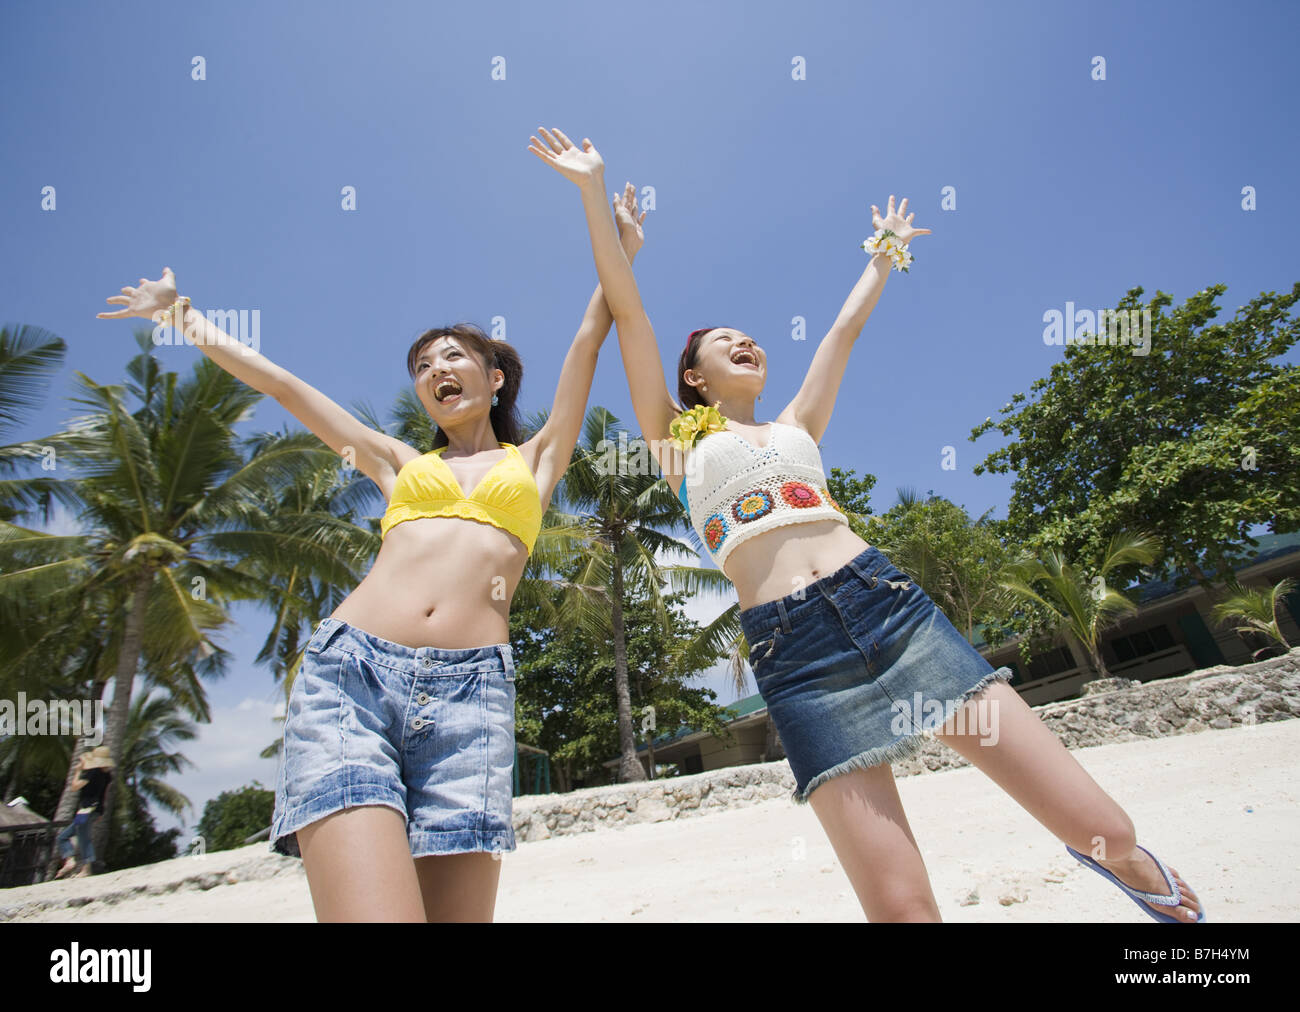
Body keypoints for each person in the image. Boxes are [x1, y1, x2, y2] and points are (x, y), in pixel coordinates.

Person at [530, 126, 1205, 924]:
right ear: (692, 377)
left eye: (749, 337)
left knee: (1105, 829)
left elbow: (840, 333)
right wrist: (598, 206)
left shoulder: (797, 428)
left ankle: (1134, 871)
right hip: (797, 656)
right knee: (903, 913)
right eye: (723, 341)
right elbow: (630, 316)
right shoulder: (675, 440)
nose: (745, 342)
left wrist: (883, 255)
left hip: (892, 611)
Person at [94, 188, 648, 921]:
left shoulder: (539, 458)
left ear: (495, 378)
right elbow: (287, 388)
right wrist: (183, 317)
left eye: (453, 356)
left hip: (472, 699)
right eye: (422, 365)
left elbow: (590, 334)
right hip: (352, 676)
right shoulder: (395, 463)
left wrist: (622, 248)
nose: (435, 369)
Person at [54, 745, 113, 879]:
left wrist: (77, 771)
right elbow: (104, 795)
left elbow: (75, 787)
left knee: (83, 838)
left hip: (85, 810)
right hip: (95, 810)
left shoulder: (92, 772)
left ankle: (86, 869)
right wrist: (101, 812)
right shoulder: (107, 775)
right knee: (63, 837)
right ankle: (70, 862)